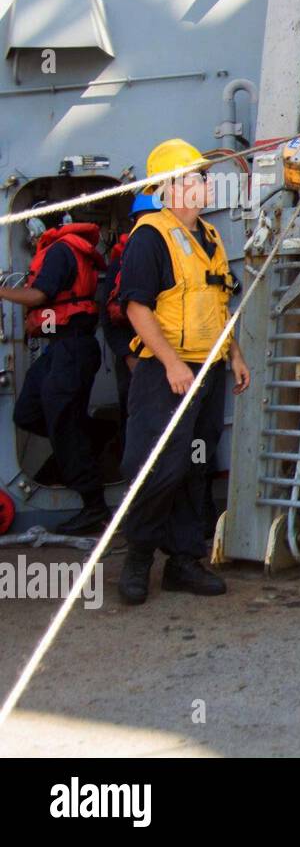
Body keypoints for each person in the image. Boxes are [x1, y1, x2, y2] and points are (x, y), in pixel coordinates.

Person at [115, 139, 251, 605]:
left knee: (196, 464)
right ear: (171, 188)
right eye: (197, 177)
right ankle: (138, 557)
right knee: (159, 466)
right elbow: (136, 307)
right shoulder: (150, 237)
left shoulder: (209, 237)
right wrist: (172, 363)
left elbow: (218, 303)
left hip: (207, 371)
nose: (207, 184)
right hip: (165, 374)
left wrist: (233, 355)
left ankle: (183, 561)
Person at [0, 204, 109, 533]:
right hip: (59, 347)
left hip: (72, 347)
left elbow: (39, 296)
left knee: (63, 423)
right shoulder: (61, 249)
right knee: (28, 413)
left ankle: (94, 505)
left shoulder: (60, 250)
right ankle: (96, 434)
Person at [101, 191, 161, 429]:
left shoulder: (176, 257)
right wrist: (127, 355)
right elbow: (109, 315)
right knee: (136, 421)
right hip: (135, 356)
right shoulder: (122, 263)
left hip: (176, 353)